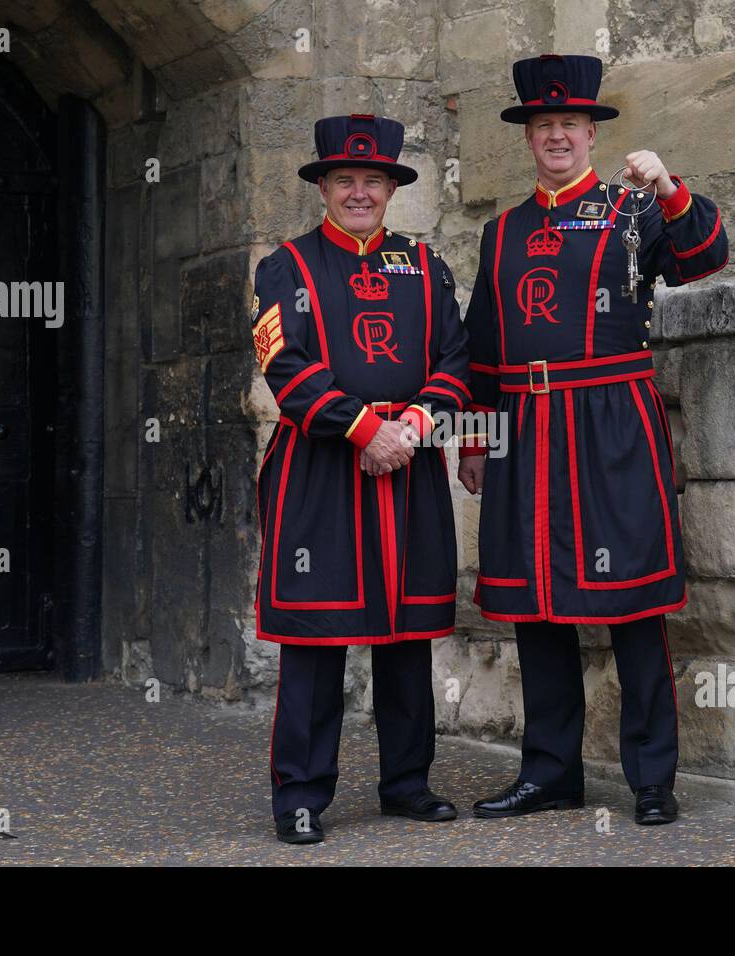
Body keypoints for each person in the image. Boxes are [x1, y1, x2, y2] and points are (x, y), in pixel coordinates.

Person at [458, 54, 728, 824]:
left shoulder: (632, 209)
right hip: (523, 427)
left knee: (633, 602)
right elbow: (482, 345)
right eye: (544, 126)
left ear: (590, 134)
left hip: (612, 421)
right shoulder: (501, 231)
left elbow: (706, 258)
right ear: (529, 138)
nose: (557, 137)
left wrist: (671, 187)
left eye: (569, 125)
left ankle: (651, 779)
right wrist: (473, 437)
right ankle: (550, 773)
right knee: (537, 609)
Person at [251, 114, 471, 844]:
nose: (358, 192)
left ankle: (407, 783)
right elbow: (286, 367)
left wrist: (412, 428)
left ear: (389, 189)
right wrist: (362, 429)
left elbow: (455, 360)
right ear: (323, 186)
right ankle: (302, 796)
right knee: (315, 636)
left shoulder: (425, 264)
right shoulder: (286, 265)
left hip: (408, 462)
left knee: (409, 632)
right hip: (322, 466)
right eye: (344, 179)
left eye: (371, 180)